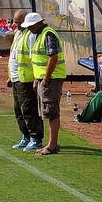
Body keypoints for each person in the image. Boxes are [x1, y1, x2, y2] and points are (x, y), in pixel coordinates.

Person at [23, 11, 65, 156]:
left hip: (51, 79)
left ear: (37, 24)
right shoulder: (40, 35)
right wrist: (38, 79)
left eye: (30, 26)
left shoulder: (47, 34)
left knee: (51, 112)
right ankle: (51, 143)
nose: (28, 29)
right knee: (48, 112)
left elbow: (53, 58)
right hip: (45, 79)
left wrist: (45, 79)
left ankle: (52, 145)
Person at [6, 10, 43, 151]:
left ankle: (35, 138)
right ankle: (26, 136)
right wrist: (10, 76)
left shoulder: (30, 35)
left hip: (26, 79)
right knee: (18, 109)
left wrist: (35, 78)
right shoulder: (18, 34)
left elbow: (34, 57)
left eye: (18, 22)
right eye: (15, 22)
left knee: (29, 109)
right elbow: (14, 56)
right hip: (16, 77)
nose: (15, 25)